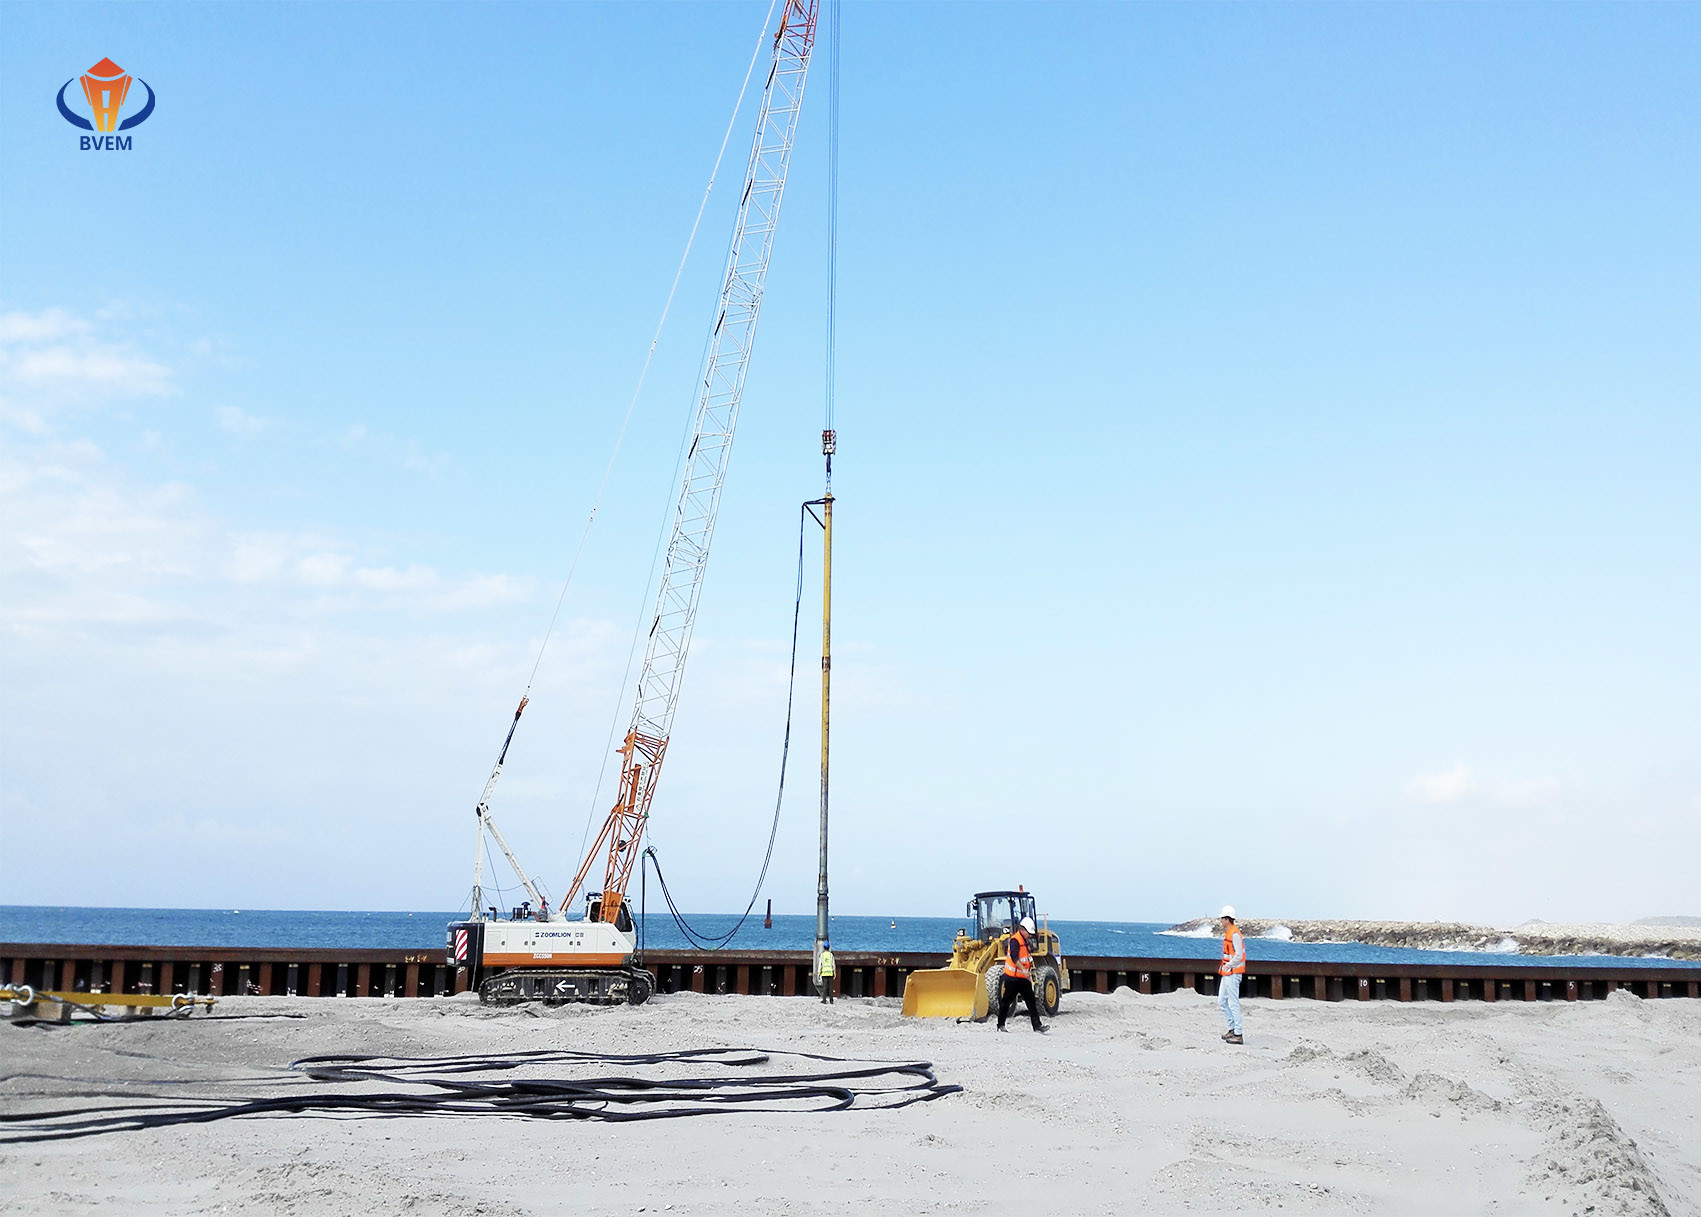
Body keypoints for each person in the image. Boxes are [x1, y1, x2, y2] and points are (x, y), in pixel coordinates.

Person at [996, 916, 1048, 1033]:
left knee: (1031, 1002)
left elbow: (1026, 955)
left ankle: (1037, 1026)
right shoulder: (1015, 940)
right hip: (1012, 978)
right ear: (1022, 930)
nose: (1030, 935)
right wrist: (1024, 970)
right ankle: (1000, 1025)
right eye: (1029, 933)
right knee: (1006, 1002)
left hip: (1023, 978)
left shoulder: (1025, 940)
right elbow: (1015, 957)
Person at [1218, 905, 1246, 1045]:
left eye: (1222, 918)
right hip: (1227, 972)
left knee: (1233, 1003)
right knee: (1222, 1001)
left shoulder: (1234, 934)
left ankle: (1238, 1034)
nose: (1221, 921)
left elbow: (1239, 955)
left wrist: (1228, 965)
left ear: (1227, 919)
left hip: (1233, 973)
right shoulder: (1230, 933)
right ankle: (1232, 1028)